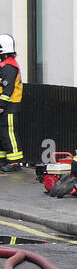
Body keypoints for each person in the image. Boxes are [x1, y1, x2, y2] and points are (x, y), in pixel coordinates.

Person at [0, 34, 23, 171]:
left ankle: (14, 162)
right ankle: (3, 159)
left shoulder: (9, 66)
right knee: (2, 133)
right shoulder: (5, 65)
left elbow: (8, 88)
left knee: (9, 132)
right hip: (5, 105)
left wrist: (1, 105)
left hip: (10, 105)